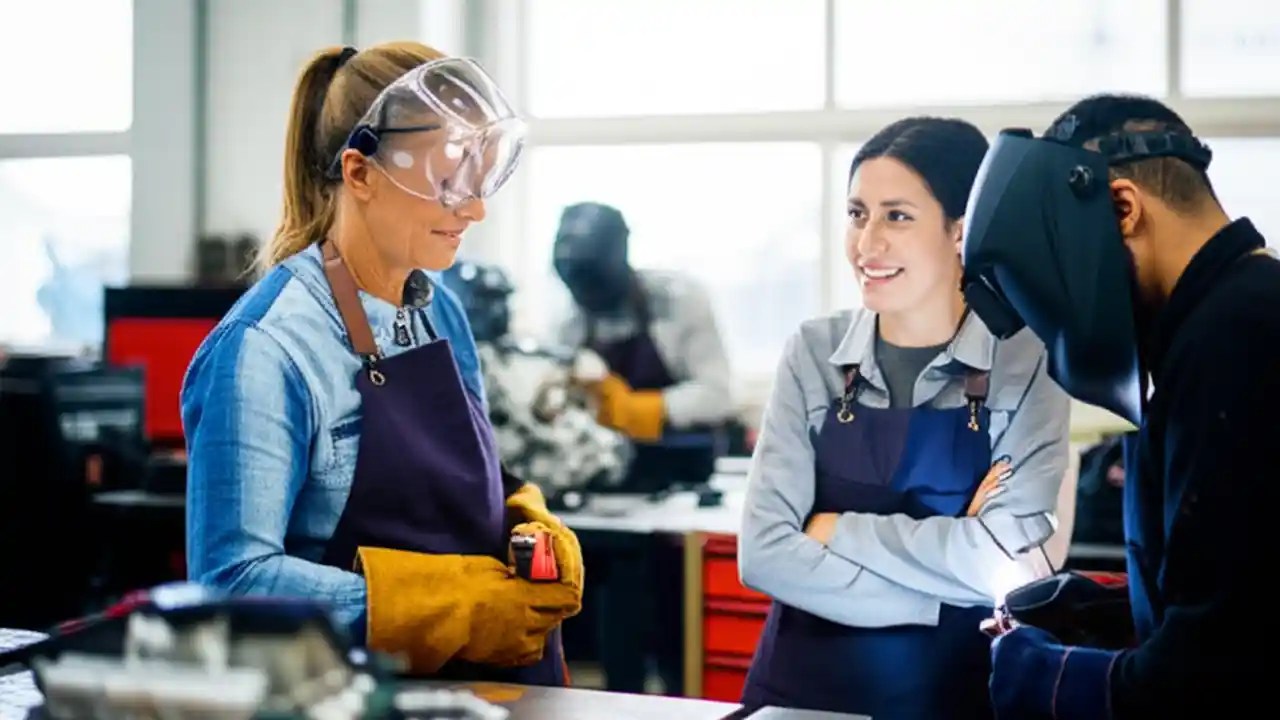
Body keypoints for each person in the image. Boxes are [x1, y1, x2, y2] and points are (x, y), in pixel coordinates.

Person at [180, 42, 583, 684]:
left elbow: (462, 487)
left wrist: (520, 518)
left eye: (477, 179)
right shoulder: (265, 349)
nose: (474, 208)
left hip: (484, 690)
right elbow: (233, 583)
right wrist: (453, 606)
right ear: (360, 173)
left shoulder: (440, 310)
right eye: (447, 181)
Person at [737, 117, 1072, 720]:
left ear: (960, 230)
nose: (867, 245)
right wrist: (942, 592)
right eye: (857, 213)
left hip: (951, 697)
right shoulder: (813, 352)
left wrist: (836, 530)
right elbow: (763, 553)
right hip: (799, 699)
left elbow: (1006, 565)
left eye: (897, 216)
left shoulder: (1026, 362)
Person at [966, 95, 1277, 718]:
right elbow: (1246, 593)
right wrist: (1113, 609)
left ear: (1121, 207)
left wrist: (1040, 673)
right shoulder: (1225, 321)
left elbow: (1212, 678)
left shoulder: (1235, 341)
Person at [440, 258, 631, 505]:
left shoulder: (535, 358)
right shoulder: (449, 362)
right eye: (486, 299)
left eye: (501, 300)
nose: (497, 310)